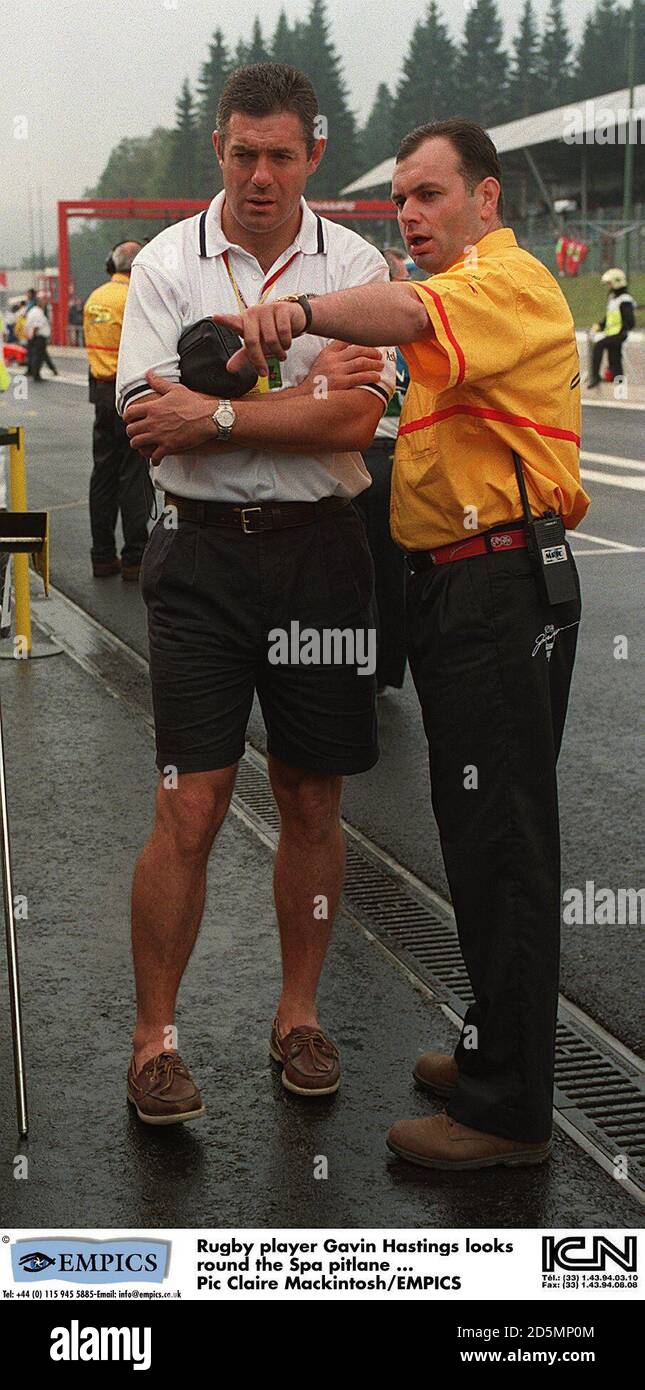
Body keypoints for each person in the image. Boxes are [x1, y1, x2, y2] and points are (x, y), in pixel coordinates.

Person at [212, 118, 591, 1172]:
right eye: (402, 202)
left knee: (504, 849)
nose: (411, 216)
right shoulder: (455, 312)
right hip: (459, 589)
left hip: (501, 588)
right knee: (476, 837)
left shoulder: (504, 285)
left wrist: (294, 309)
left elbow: (412, 306)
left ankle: (509, 1112)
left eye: (431, 195)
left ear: (488, 200)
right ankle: (489, 1048)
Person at [117, 62, 394, 1124]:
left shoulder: (359, 261)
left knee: (312, 799)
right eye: (244, 153)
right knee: (190, 802)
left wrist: (220, 405)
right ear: (218, 152)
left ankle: (298, 1014)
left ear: (314, 154)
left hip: (322, 552)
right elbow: (151, 418)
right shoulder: (167, 264)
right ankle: (155, 1043)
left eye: (283, 154)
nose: (262, 173)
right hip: (200, 563)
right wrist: (298, 387)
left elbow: (351, 425)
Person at [354, 249, 409, 693]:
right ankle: (389, 667)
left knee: (357, 571)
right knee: (395, 572)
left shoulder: (359, 330)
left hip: (361, 455)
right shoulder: (419, 332)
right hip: (403, 461)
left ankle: (361, 669)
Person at [83, 240, 150, 579]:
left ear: (112, 264)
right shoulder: (135, 298)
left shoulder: (96, 298)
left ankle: (102, 556)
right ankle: (136, 557)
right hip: (129, 393)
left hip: (100, 394)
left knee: (103, 475)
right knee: (134, 476)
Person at [587, 267, 636, 388]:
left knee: (599, 345)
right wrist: (599, 326)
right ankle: (618, 379)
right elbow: (609, 319)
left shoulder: (624, 300)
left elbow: (630, 321)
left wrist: (622, 329)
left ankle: (595, 377)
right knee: (614, 357)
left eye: (609, 283)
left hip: (619, 334)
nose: (608, 286)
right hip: (613, 334)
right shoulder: (614, 299)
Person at [24, 291, 55, 381]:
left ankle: (36, 372)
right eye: (43, 300)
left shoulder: (32, 311)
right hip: (38, 337)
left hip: (34, 337)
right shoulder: (38, 312)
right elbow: (36, 326)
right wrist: (33, 335)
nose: (45, 302)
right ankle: (36, 375)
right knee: (39, 357)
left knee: (38, 356)